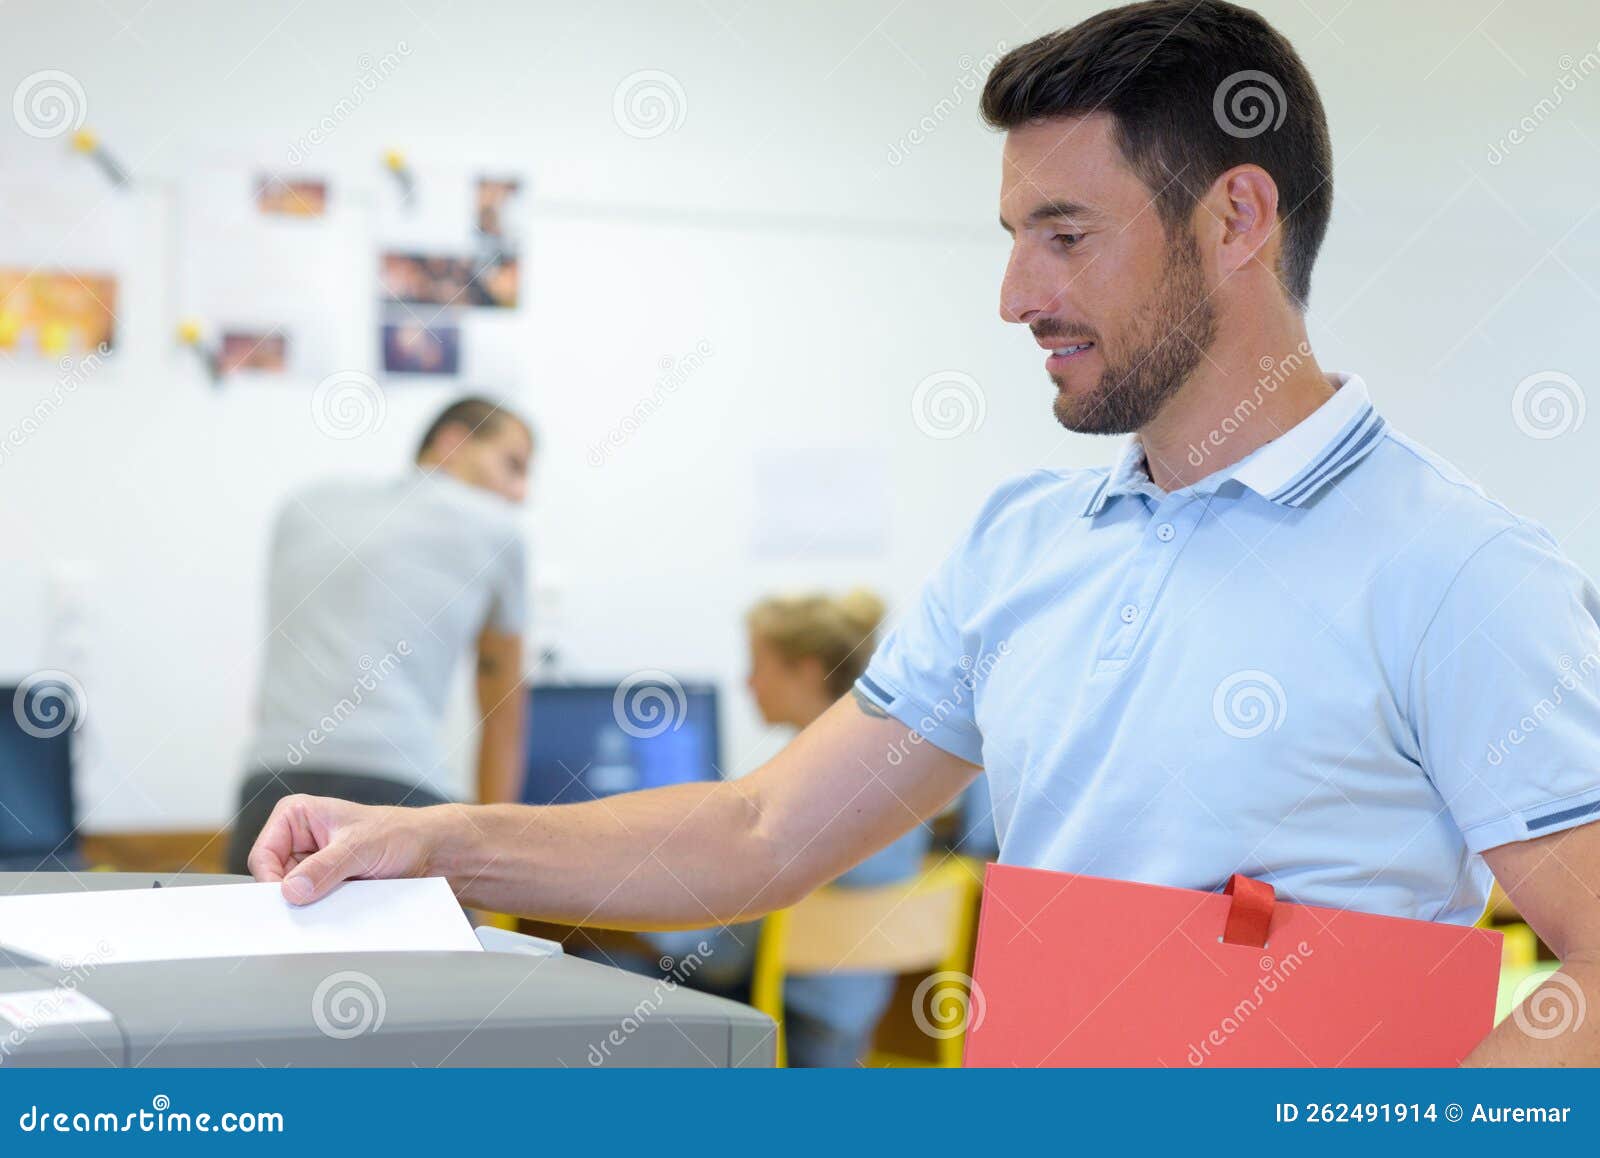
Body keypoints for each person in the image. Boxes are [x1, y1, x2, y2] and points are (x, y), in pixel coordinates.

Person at [251, 2, 1600, 1064]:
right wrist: (438, 841)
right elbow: (758, 829)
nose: (1018, 294)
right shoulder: (1023, 543)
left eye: (1067, 235)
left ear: (1238, 217)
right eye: (1015, 236)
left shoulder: (1460, 572)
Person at [225, 396, 531, 875]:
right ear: (453, 443)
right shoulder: (497, 530)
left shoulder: (304, 504)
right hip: (402, 796)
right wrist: (491, 867)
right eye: (512, 465)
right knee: (463, 951)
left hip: (270, 797)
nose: (520, 492)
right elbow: (504, 716)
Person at [638, 590, 929, 1066]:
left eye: (758, 664)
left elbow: (721, 959)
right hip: (852, 1026)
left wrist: (636, 923)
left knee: (607, 970)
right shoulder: (898, 772)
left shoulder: (806, 793)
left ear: (807, 670)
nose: (747, 682)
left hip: (786, 1032)